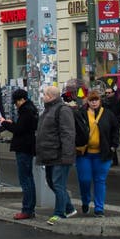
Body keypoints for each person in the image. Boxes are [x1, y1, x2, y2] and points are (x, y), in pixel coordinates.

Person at [36, 85, 77, 224]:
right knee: (51, 182)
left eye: (44, 95)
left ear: (51, 96)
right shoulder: (48, 110)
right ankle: (69, 208)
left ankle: (60, 213)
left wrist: (67, 155)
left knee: (58, 184)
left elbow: (68, 134)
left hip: (60, 154)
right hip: (49, 154)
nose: (43, 97)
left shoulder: (63, 110)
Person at [75, 88, 119, 217]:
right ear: (87, 101)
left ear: (100, 101)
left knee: (100, 180)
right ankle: (85, 200)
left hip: (102, 154)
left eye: (96, 100)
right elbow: (75, 130)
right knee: (84, 180)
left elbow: (115, 129)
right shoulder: (81, 114)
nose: (94, 103)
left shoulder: (108, 114)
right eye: (91, 100)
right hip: (84, 153)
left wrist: (113, 146)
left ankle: (99, 208)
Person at [0, 88, 38, 220]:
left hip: (23, 147)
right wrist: (14, 124)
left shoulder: (26, 111)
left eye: (16, 102)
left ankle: (27, 209)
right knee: (29, 179)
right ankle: (30, 208)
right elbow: (24, 127)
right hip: (28, 147)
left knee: (25, 180)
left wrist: (5, 123)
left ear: (21, 100)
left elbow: (19, 130)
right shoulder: (31, 109)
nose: (16, 105)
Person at [103, 85, 120, 166]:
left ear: (113, 93)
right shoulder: (104, 102)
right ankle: (111, 159)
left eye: (109, 93)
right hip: (106, 124)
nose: (107, 94)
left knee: (113, 141)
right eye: (106, 93)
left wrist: (116, 120)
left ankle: (114, 160)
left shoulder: (117, 101)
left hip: (115, 124)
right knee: (107, 141)